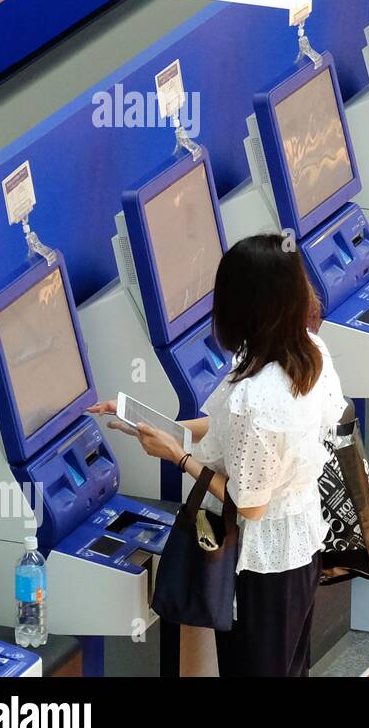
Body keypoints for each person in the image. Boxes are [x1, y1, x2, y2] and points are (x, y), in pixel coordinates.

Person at [90, 234, 344, 676]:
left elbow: (250, 503)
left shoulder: (257, 397)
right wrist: (147, 423)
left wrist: (178, 458)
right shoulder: (307, 351)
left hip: (264, 569)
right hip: (300, 549)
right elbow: (230, 434)